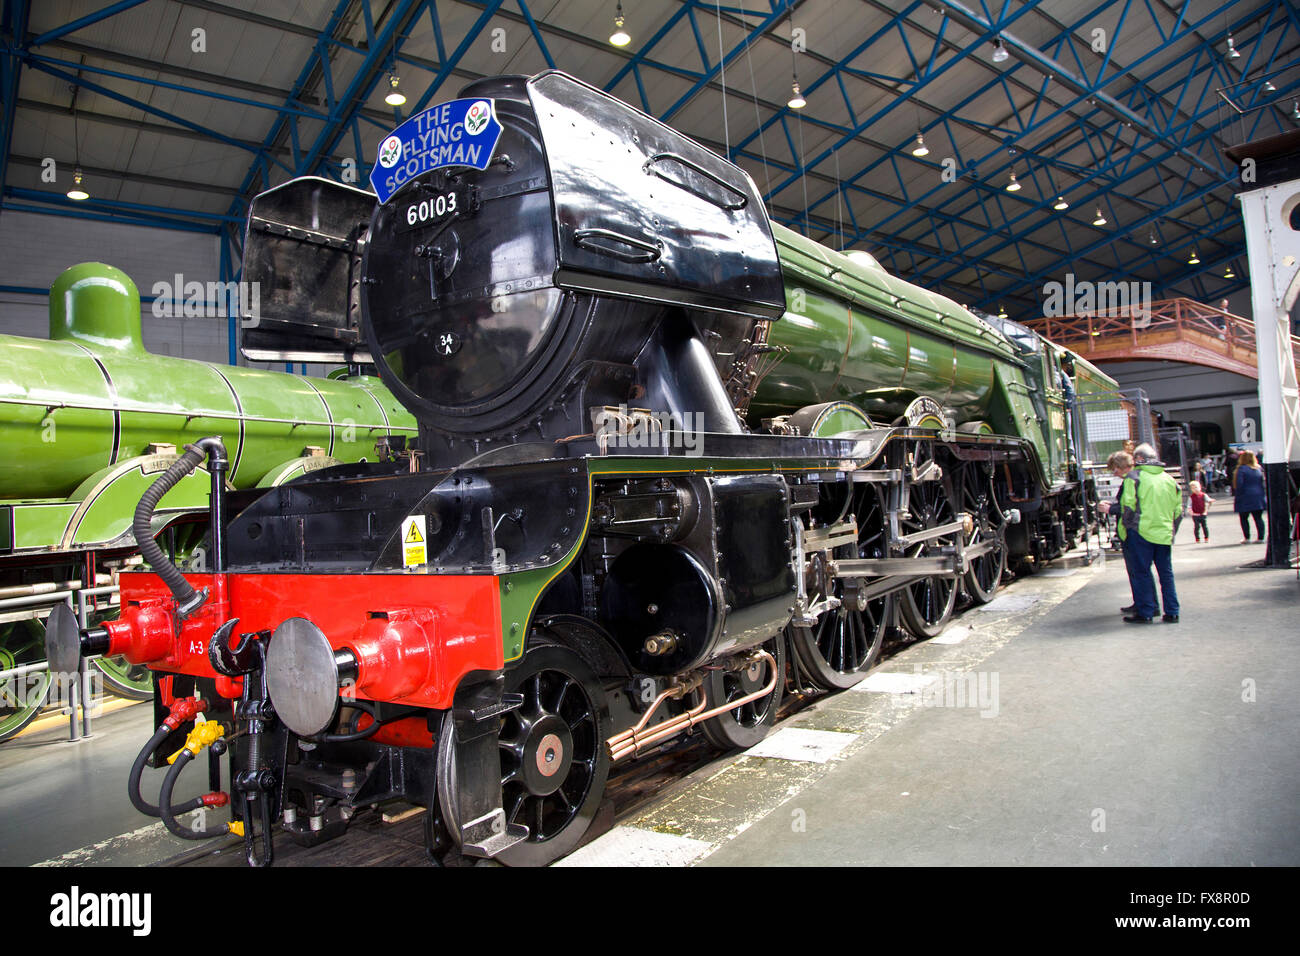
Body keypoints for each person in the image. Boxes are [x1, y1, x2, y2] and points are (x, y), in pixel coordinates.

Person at [1117, 442, 1182, 624]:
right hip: (1164, 533)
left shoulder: (1134, 478)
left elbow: (1127, 507)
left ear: (1138, 459)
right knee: (1166, 574)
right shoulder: (1170, 480)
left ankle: (1146, 613)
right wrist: (1171, 529)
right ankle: (1172, 612)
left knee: (1142, 573)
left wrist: (1129, 529)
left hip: (1141, 533)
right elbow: (1178, 511)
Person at [1097, 450, 1139, 612]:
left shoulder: (1131, 480)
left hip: (1132, 531)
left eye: (1115, 469)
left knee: (1137, 571)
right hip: (1132, 530)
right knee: (1138, 571)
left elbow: (1129, 507)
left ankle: (1144, 606)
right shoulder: (1133, 479)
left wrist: (1110, 509)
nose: (1114, 473)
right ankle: (1142, 604)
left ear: (1122, 466)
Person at [1233, 449, 1267, 543]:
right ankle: (1260, 538)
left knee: (1244, 518)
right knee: (1258, 518)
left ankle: (1247, 538)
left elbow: (1239, 484)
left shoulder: (1241, 469)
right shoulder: (1259, 468)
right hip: (1258, 496)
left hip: (1245, 496)